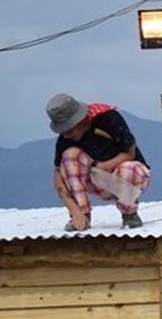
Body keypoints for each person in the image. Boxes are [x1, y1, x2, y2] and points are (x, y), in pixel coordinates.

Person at [47, 93, 150, 231]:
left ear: (81, 121)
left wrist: (103, 167)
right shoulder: (66, 139)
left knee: (128, 170)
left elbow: (129, 153)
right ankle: (83, 215)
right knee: (69, 156)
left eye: (70, 131)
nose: (67, 136)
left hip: (128, 177)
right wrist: (75, 211)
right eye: (64, 132)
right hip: (95, 180)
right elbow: (58, 179)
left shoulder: (109, 119)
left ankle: (129, 214)